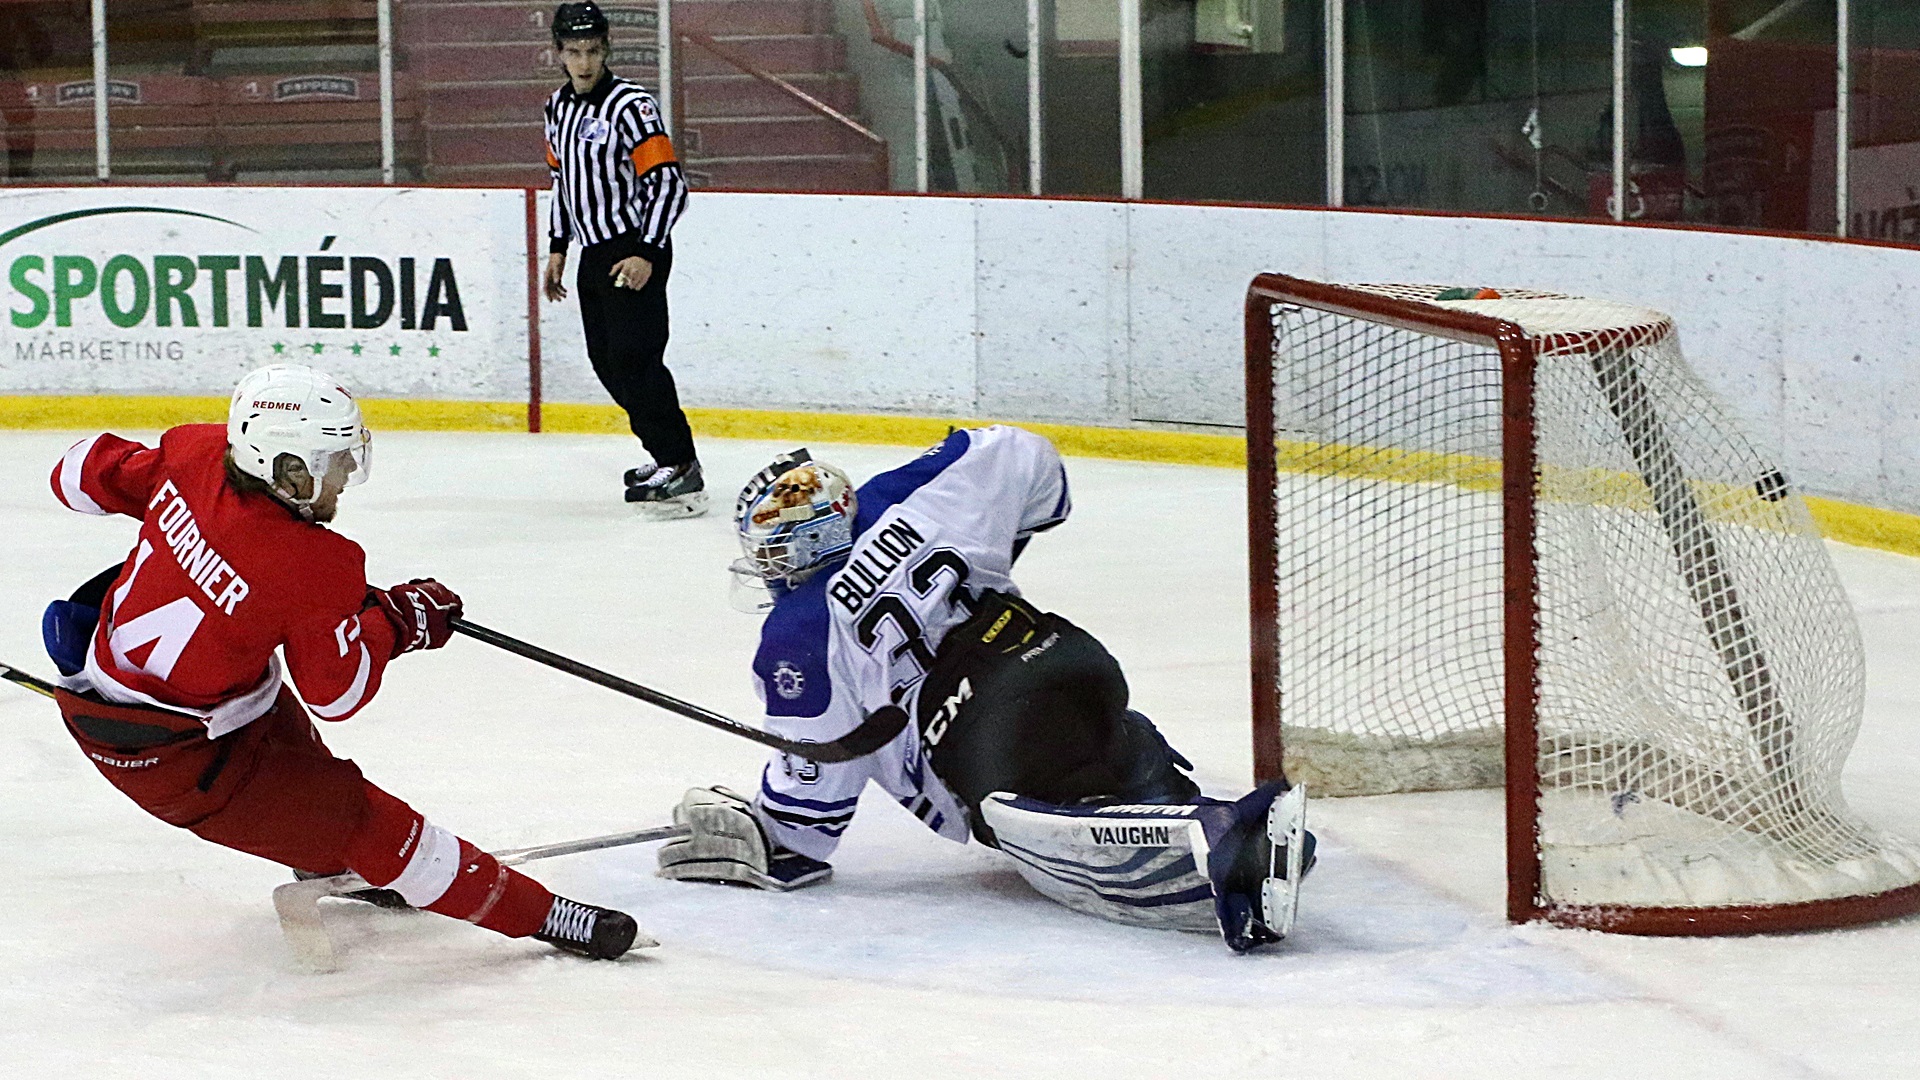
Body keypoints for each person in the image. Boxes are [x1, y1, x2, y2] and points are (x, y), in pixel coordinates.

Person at [41, 363, 642, 961]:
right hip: (182, 761)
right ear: (286, 470)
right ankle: (546, 916)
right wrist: (399, 622)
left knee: (310, 777)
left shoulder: (196, 451)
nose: (347, 475)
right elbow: (338, 694)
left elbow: (72, 475)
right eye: (333, 463)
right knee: (374, 827)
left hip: (192, 698)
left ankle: (324, 855)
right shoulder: (317, 564)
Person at [656, 426, 1314, 951]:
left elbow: (811, 818)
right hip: (1061, 652)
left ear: (808, 539)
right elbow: (1034, 462)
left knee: (1032, 804)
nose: (770, 568)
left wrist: (759, 835)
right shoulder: (911, 490)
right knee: (1097, 746)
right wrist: (986, 559)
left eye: (775, 551)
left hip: (985, 726)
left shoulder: (794, 635)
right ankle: (1206, 812)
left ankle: (1219, 838)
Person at [541, 1, 704, 517]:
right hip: (593, 252)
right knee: (608, 363)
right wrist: (558, 247)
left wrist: (647, 252)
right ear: (558, 54)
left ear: (606, 49)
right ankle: (663, 454)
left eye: (592, 51)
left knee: (637, 360)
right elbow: (562, 182)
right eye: (573, 51)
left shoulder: (632, 107)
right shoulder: (556, 109)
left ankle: (680, 463)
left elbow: (669, 184)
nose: (584, 62)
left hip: (634, 247)